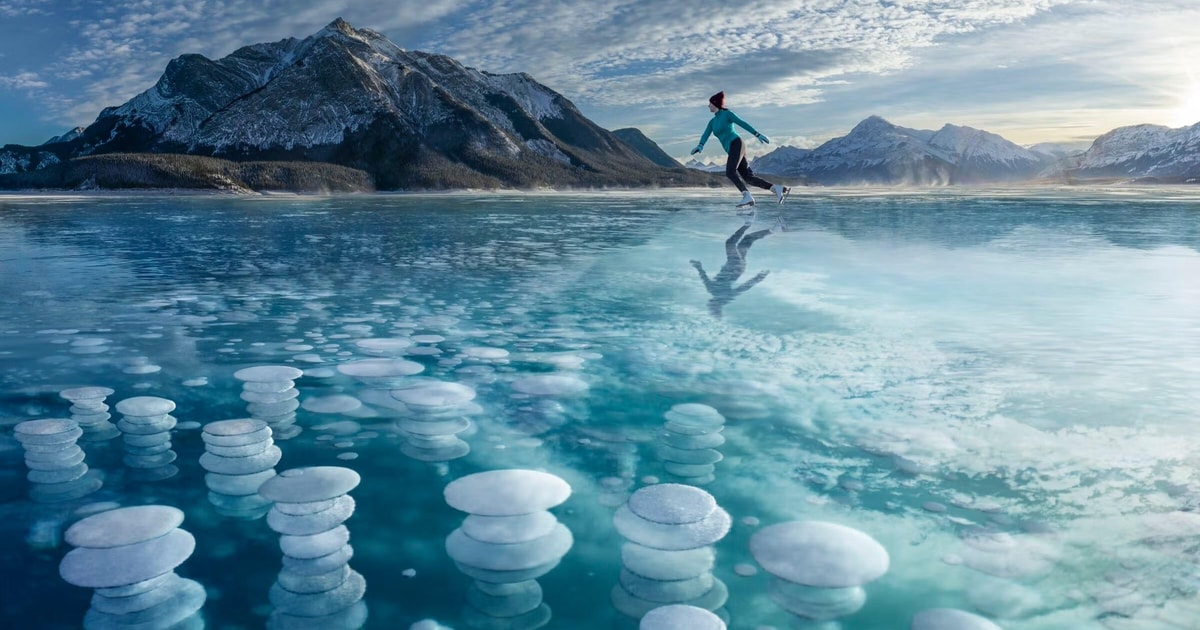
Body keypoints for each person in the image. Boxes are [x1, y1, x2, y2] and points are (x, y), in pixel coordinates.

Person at [691, 91, 790, 210]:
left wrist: (757, 134)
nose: (708, 106)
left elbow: (742, 123)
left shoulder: (727, 114)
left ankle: (747, 196)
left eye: (710, 103)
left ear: (715, 103)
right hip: (732, 149)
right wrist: (700, 146)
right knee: (748, 177)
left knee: (730, 172)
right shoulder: (712, 122)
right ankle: (777, 188)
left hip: (736, 143)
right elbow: (705, 134)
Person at [690, 215, 785, 318]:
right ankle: (748, 224)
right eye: (712, 307)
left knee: (747, 239)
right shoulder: (725, 296)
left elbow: (704, 277)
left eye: (710, 306)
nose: (709, 304)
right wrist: (758, 278)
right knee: (730, 244)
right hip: (735, 267)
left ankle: (775, 230)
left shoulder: (712, 290)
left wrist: (698, 266)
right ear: (718, 306)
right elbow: (743, 287)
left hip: (735, 267)